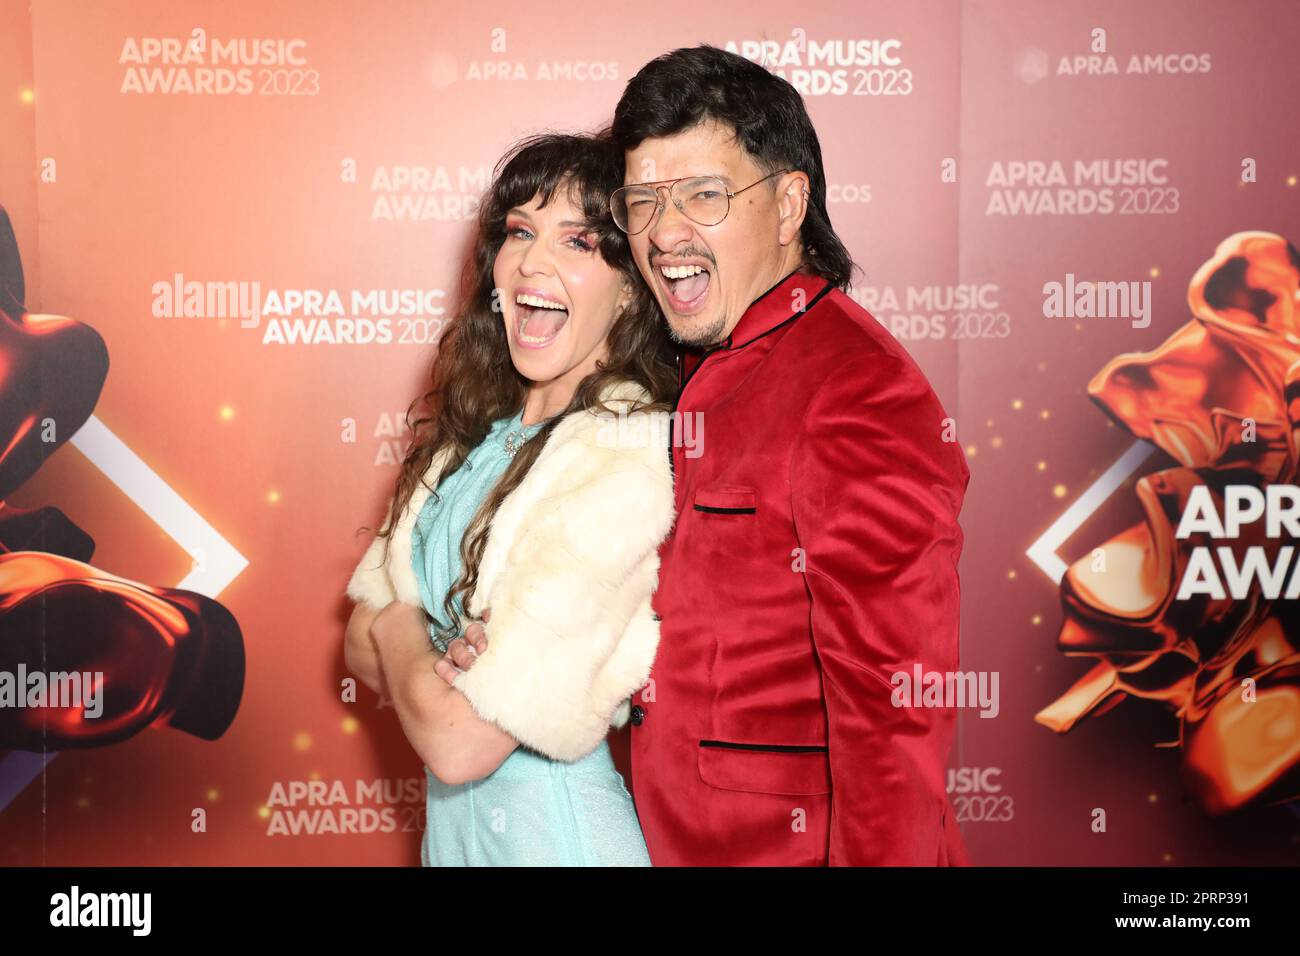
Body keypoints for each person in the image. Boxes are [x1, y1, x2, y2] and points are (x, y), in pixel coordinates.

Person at [604, 44, 973, 866]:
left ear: (787, 205)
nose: (665, 232)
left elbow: (895, 721)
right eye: (642, 201)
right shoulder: (689, 369)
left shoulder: (856, 389)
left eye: (704, 194)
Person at [342, 131, 677, 866]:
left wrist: (401, 624)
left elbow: (459, 744)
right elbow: (354, 643)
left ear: (629, 289)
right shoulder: (475, 433)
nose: (532, 260)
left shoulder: (624, 454)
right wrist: (432, 658)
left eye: (579, 242)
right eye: (520, 231)